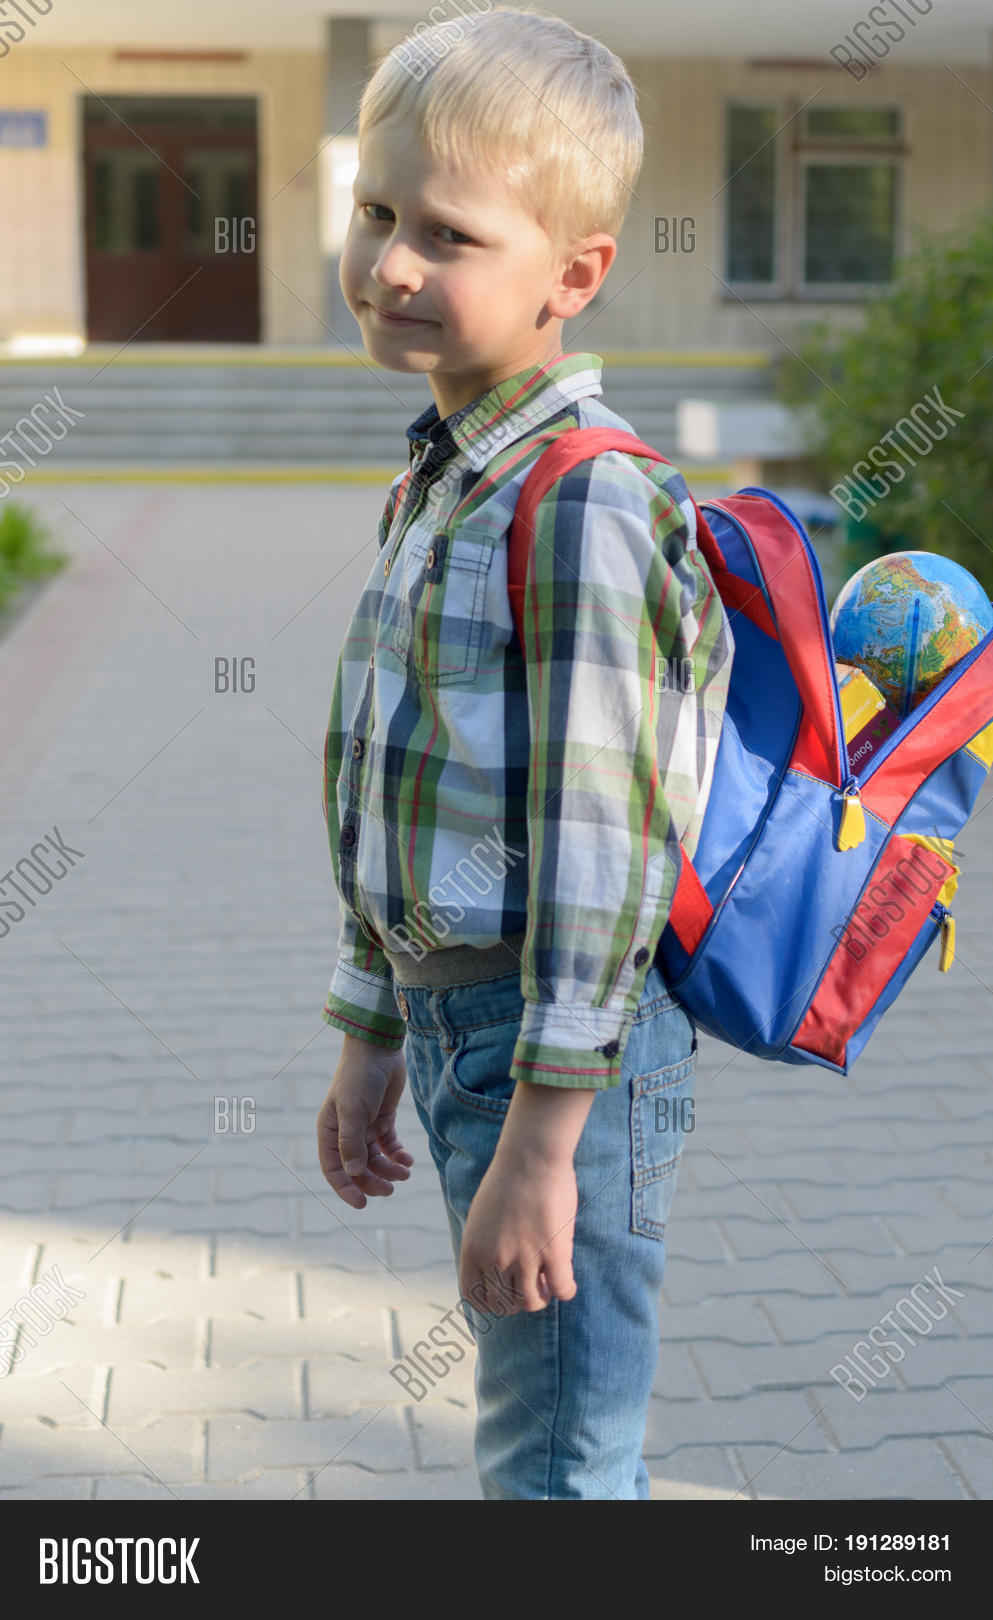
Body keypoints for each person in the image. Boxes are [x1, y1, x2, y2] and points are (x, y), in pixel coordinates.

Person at [315, 3, 733, 1500]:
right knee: (537, 1437)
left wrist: (545, 1148)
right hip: (458, 1029)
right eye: (374, 213)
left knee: (554, 1461)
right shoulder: (440, 479)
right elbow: (400, 779)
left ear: (574, 274)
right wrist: (370, 1029)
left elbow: (604, 853)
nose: (394, 264)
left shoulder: (579, 505)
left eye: (448, 231)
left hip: (564, 1059)